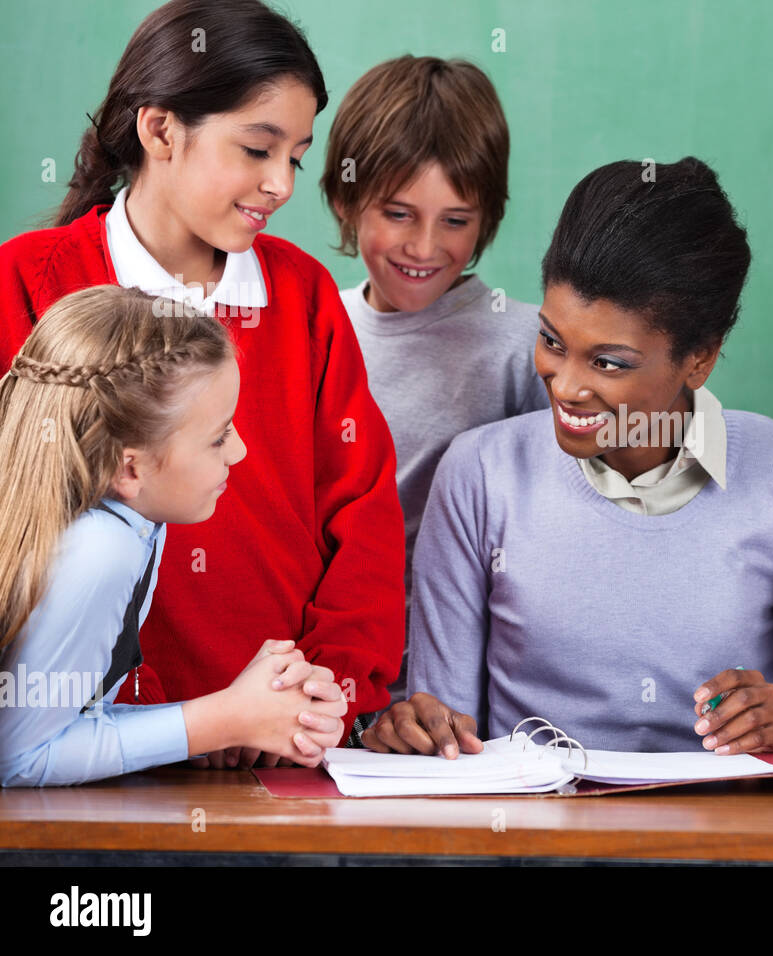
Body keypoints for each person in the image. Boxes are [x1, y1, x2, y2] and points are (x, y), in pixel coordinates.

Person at [0, 0, 406, 768]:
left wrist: (322, 690)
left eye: (296, 155)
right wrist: (204, 720)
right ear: (159, 131)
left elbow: (363, 517)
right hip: (86, 750)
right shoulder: (28, 281)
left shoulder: (305, 293)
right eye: (257, 149)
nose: (281, 183)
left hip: (281, 749)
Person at [363, 157, 773, 756]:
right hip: (528, 840)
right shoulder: (479, 475)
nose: (566, 385)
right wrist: (415, 730)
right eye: (552, 341)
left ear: (699, 359)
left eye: (609, 362)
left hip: (722, 840)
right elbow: (449, 734)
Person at [0, 286, 349, 787]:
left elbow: (65, 727)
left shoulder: (135, 522)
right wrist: (225, 718)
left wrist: (239, 715)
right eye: (219, 436)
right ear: (129, 470)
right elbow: (20, 757)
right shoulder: (101, 549)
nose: (240, 452)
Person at [322, 56, 548, 699]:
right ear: (344, 200)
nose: (424, 248)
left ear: (487, 220)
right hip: (331, 682)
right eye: (398, 213)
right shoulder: (313, 331)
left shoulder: (527, 343)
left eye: (455, 220)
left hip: (469, 692)